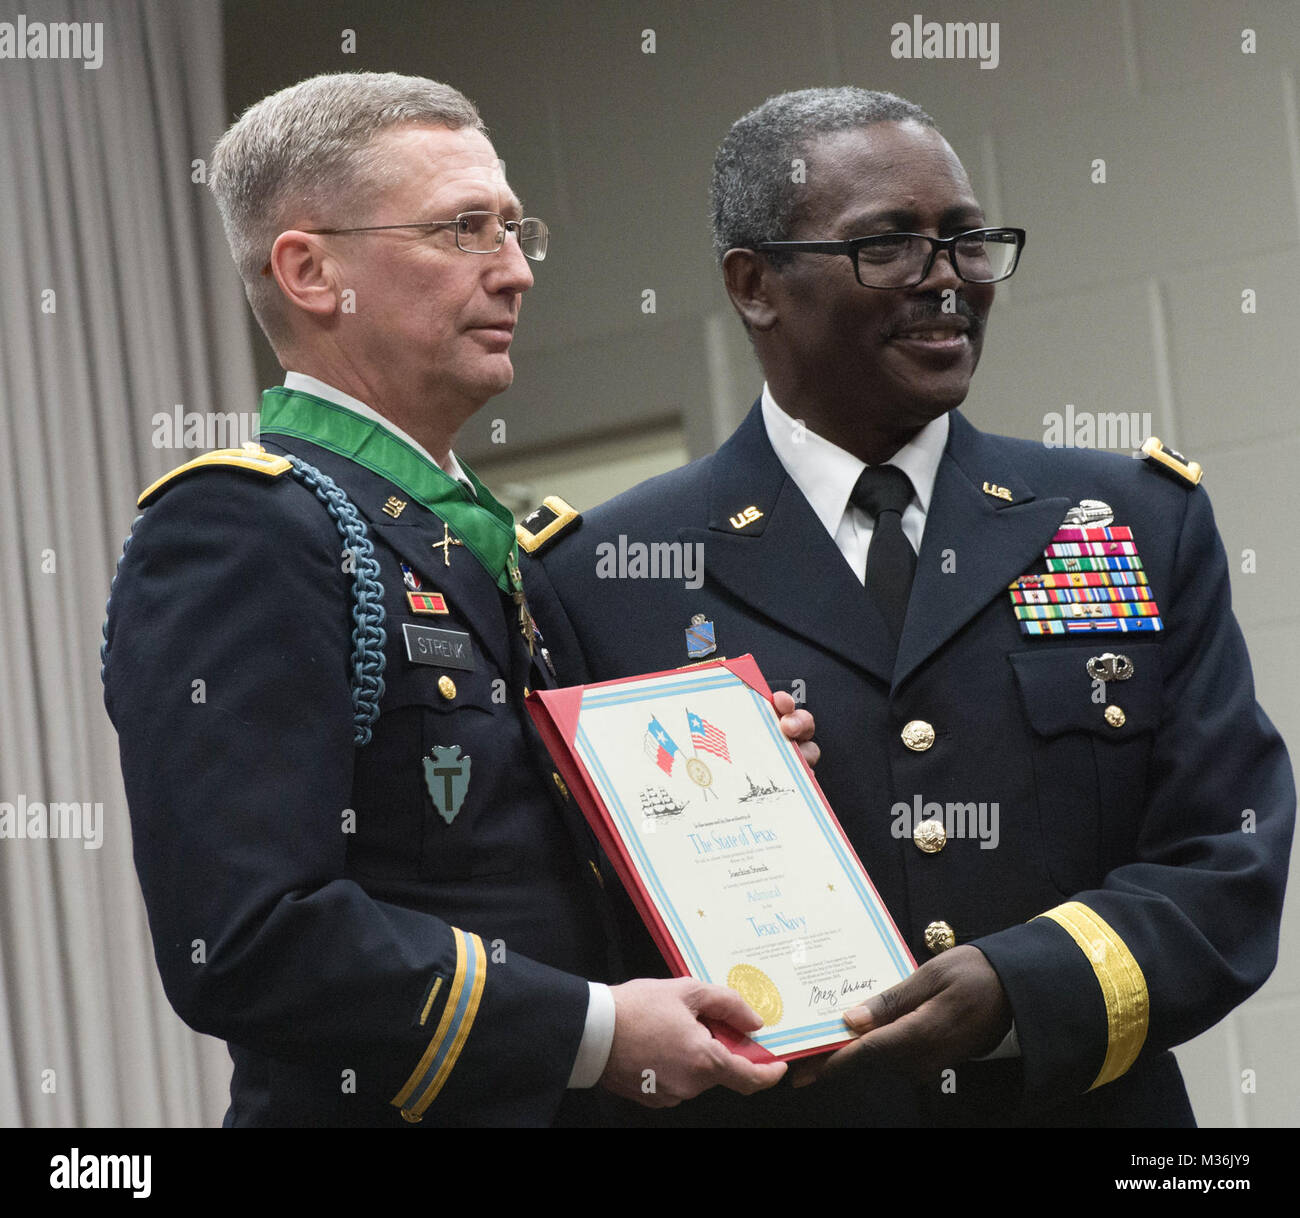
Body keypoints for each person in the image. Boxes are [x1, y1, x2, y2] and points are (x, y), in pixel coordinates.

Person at [524, 87, 1295, 1126]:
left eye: (968, 243)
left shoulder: (1128, 520)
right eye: (886, 246)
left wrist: (1023, 986)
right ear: (754, 285)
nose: (946, 282)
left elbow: (1226, 858)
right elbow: (573, 940)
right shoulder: (598, 574)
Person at [101, 72, 808, 1127]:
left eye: (517, 228)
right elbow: (247, 938)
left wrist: (712, 790)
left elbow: (522, 859)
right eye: (465, 229)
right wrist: (597, 1033)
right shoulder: (243, 528)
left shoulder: (494, 535)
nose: (516, 271)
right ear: (310, 270)